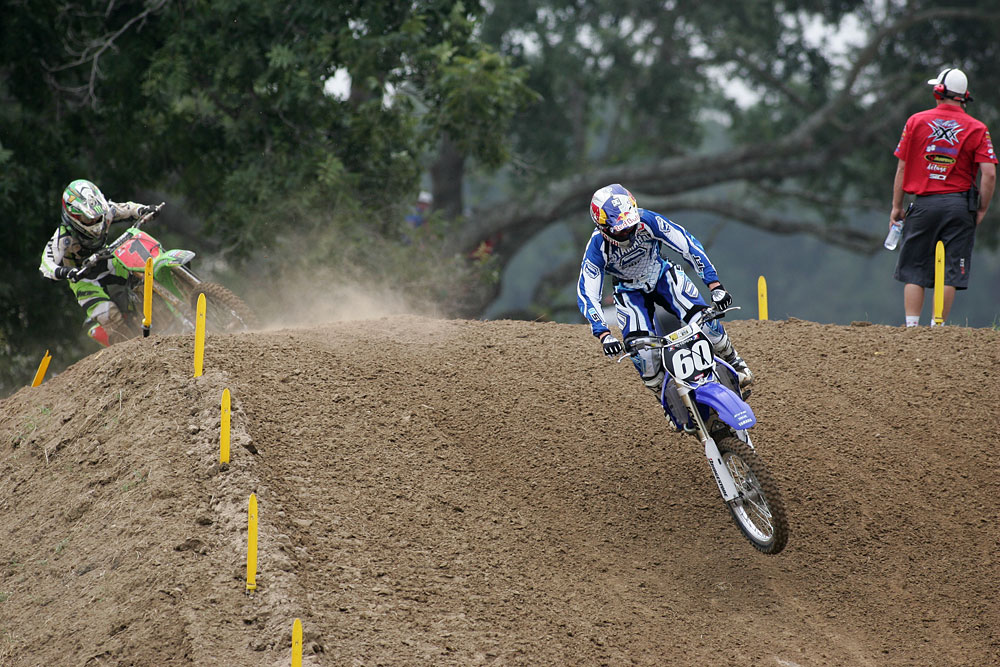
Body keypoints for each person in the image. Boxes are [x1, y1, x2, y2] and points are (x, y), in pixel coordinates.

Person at [577, 183, 753, 394]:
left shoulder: (647, 220)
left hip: (662, 275)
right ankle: (666, 397)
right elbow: (588, 293)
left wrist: (715, 285)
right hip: (629, 292)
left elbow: (687, 244)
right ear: (603, 228)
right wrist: (604, 334)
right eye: (620, 229)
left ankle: (734, 361)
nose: (628, 231)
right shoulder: (597, 248)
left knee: (705, 322)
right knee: (643, 356)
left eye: (630, 224)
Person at [890, 67, 996, 326]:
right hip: (960, 206)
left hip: (924, 204)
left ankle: (912, 327)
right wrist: (981, 209)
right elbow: (989, 174)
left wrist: (896, 206)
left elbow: (902, 168)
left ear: (938, 92)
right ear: (964, 97)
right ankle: (938, 327)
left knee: (915, 269)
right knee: (950, 271)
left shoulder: (915, 121)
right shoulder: (978, 128)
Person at [39, 179, 160, 346]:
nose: (95, 221)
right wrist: (66, 272)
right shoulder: (63, 237)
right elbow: (46, 264)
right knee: (109, 316)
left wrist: (144, 209)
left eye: (97, 215)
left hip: (108, 259)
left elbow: (127, 208)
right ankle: (132, 347)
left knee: (142, 269)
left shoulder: (106, 212)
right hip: (83, 279)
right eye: (88, 218)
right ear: (73, 216)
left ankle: (161, 306)